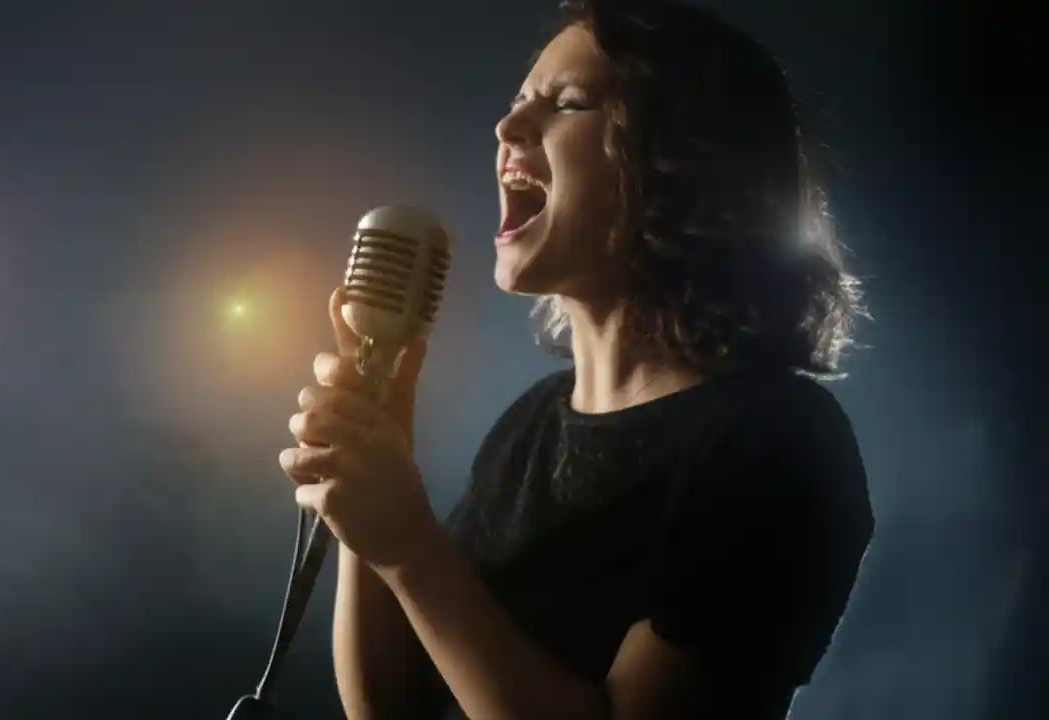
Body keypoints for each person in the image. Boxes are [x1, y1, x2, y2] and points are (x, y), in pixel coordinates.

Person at [277, 0, 875, 717]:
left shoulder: (780, 444)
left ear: (677, 160)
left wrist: (408, 544)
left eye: (565, 103)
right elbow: (390, 709)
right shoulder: (530, 428)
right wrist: (374, 489)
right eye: (516, 102)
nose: (507, 128)